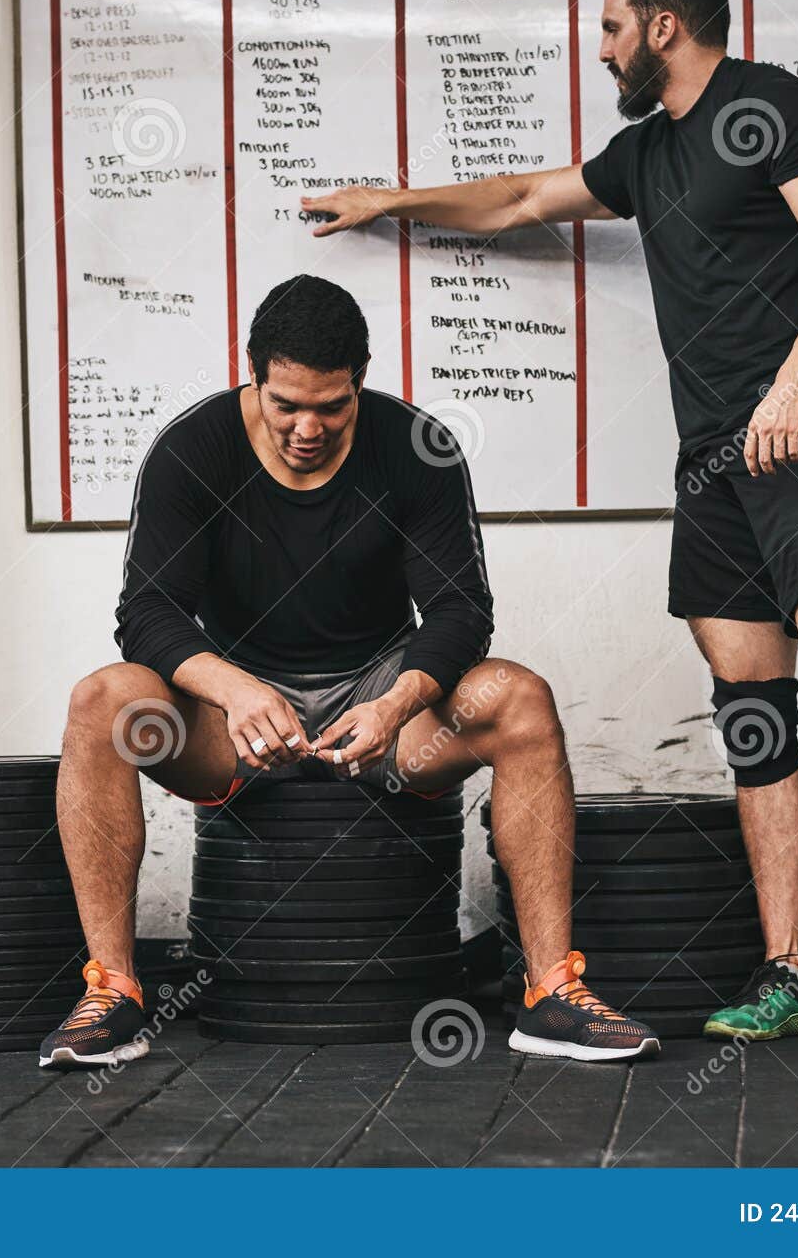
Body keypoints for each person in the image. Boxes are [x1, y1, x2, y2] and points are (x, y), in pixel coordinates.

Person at [303, 0, 798, 1049]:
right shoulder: (649, 153)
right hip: (713, 466)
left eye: (609, 28)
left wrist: (791, 387)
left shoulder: (778, 109)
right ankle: (791, 973)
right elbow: (522, 199)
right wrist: (390, 201)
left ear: (666, 26)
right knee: (753, 721)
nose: (599, 49)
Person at [40, 275, 660, 1069]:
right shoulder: (191, 451)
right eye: (287, 403)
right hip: (237, 721)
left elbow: (462, 610)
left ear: (360, 379)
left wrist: (399, 702)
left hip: (381, 703)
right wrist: (234, 689)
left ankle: (548, 995)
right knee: (102, 702)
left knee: (521, 699)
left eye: (331, 406)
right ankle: (115, 993)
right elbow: (147, 611)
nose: (308, 427)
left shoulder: (414, 448)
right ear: (253, 373)